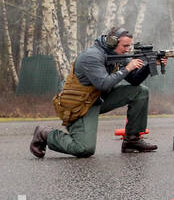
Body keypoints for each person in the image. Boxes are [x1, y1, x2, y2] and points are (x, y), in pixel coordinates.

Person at [29, 26, 159, 158]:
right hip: (78, 104)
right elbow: (103, 84)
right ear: (112, 42)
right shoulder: (92, 56)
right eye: (124, 46)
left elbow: (134, 80)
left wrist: (149, 65)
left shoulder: (117, 54)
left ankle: (132, 141)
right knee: (84, 149)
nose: (127, 50)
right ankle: (44, 133)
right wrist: (127, 68)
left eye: (128, 46)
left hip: (97, 99)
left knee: (140, 91)